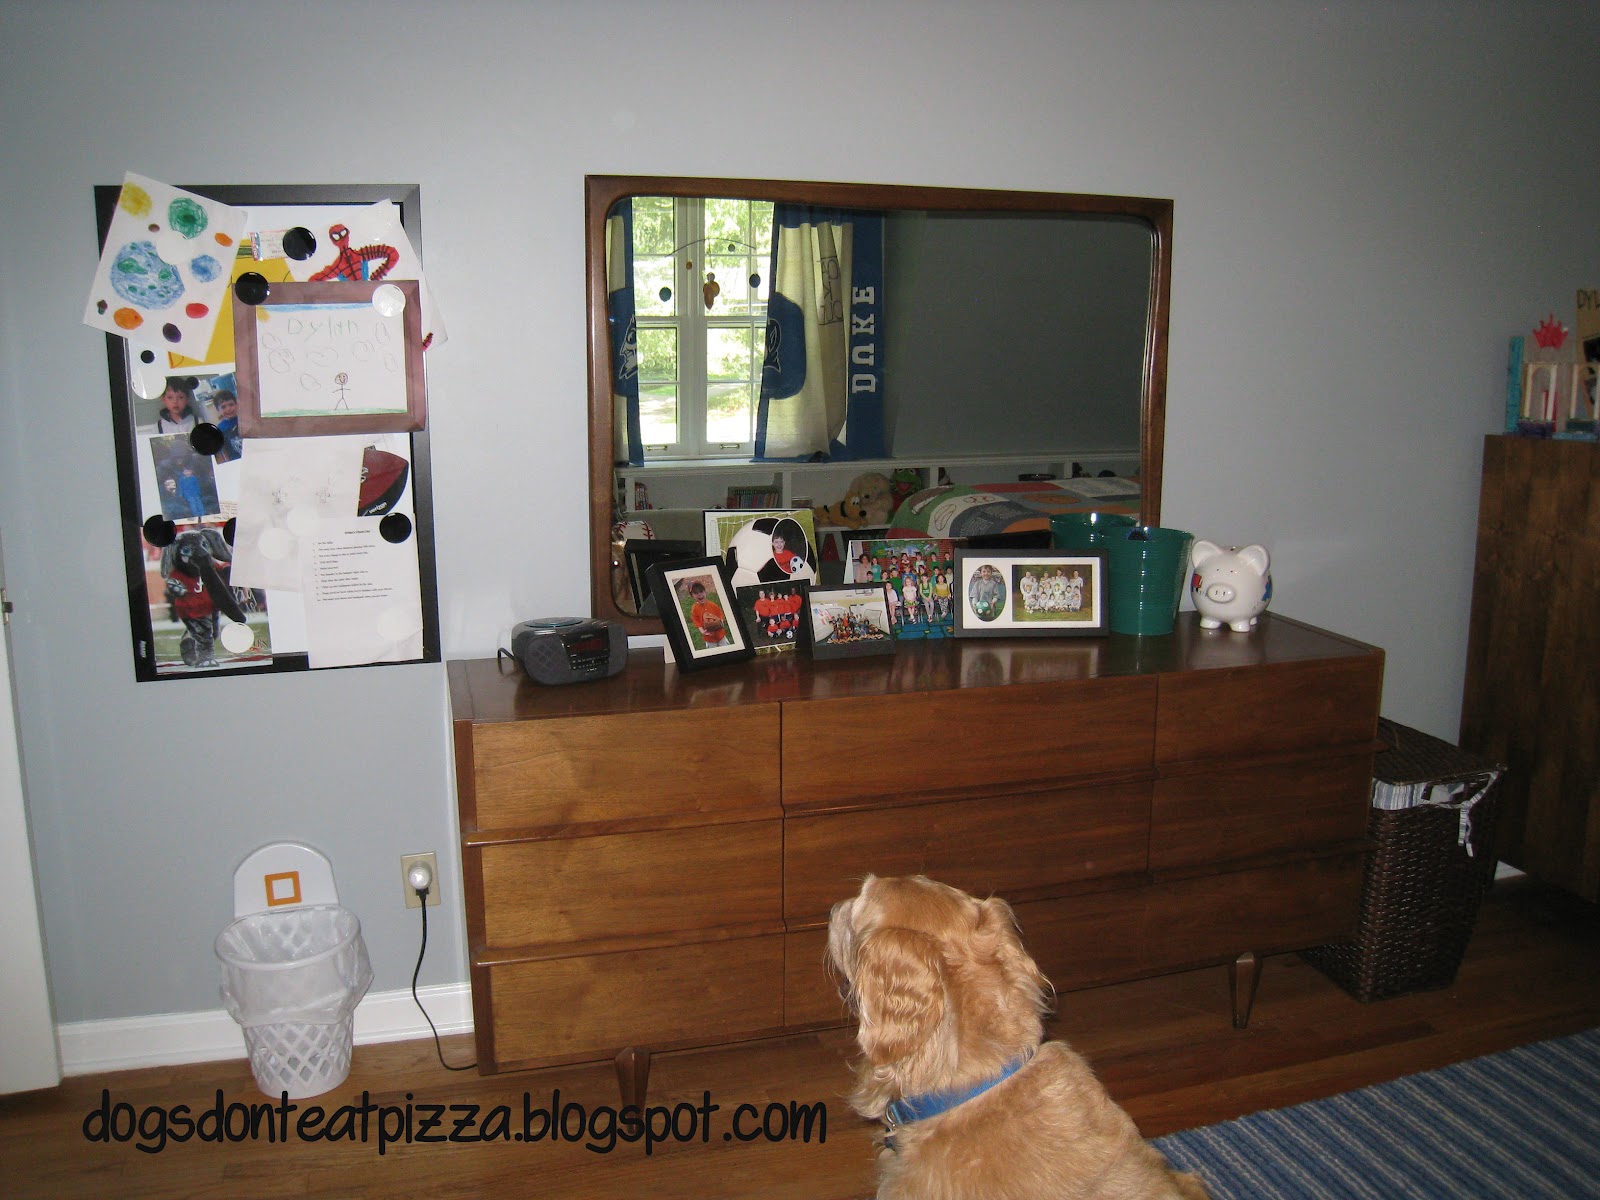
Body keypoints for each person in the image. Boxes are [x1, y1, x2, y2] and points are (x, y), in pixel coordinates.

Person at [687, 580, 728, 647]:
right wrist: (702, 631)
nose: (699, 594)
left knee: (725, 649)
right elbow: (696, 621)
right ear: (692, 596)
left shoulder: (713, 605)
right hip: (708, 637)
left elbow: (720, 614)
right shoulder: (694, 608)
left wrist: (720, 622)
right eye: (695, 593)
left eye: (701, 591)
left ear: (705, 592)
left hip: (720, 634)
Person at [213, 388, 244, 459]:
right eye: (223, 407)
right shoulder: (220, 429)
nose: (228, 409)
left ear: (236, 404)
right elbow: (224, 451)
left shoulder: (245, 420)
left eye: (231, 404)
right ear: (218, 410)